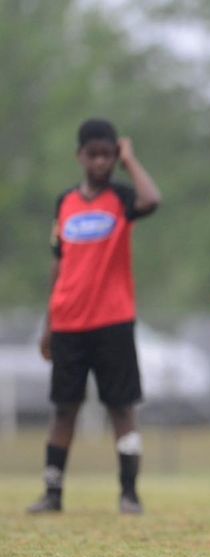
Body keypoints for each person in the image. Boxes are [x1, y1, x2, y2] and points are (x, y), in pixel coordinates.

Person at [29, 118, 161, 515]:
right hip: (69, 323)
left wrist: (130, 160)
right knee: (63, 408)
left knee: (121, 408)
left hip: (113, 322)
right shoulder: (65, 202)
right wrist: (49, 325)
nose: (100, 162)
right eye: (93, 155)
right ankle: (52, 491)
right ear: (80, 156)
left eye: (107, 155)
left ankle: (129, 493)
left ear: (114, 156)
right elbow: (58, 264)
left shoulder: (122, 197)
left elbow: (152, 199)